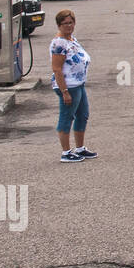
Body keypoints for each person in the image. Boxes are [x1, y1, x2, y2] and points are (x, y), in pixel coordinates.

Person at [49, 9, 95, 163]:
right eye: (65, 23)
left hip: (78, 84)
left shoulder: (71, 39)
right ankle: (66, 152)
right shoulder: (59, 43)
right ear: (59, 25)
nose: (69, 26)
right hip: (68, 86)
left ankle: (80, 148)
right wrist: (64, 91)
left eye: (71, 22)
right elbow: (56, 69)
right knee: (67, 117)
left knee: (83, 115)